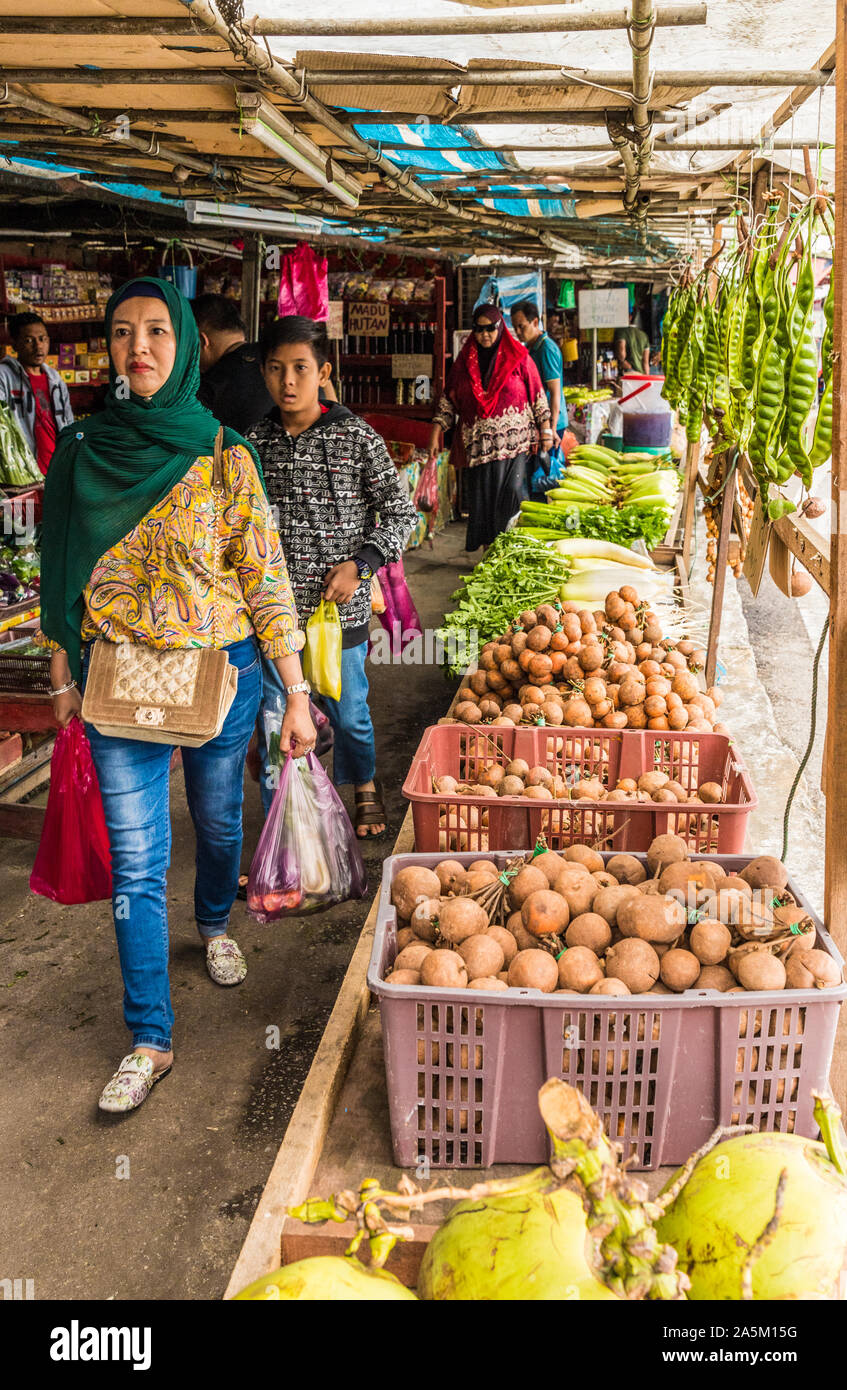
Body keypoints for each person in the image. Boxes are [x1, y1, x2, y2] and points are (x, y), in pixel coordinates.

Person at [40, 277, 315, 1115]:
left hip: (219, 675)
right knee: (137, 858)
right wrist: (61, 674)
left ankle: (217, 924)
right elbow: (60, 569)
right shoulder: (84, 449)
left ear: (185, 345)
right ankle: (149, 1037)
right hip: (118, 680)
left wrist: (295, 692)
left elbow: (265, 580)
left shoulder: (226, 452)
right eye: (122, 333)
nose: (138, 348)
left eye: (157, 331)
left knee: (219, 818)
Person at [247, 316, 416, 839]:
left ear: (322, 372)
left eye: (300, 368)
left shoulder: (355, 436)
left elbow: (401, 514)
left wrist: (361, 563)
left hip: (342, 609)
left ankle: (364, 783)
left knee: (350, 714)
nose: (288, 382)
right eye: (276, 370)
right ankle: (288, 818)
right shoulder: (254, 443)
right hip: (275, 617)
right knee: (276, 719)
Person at [427, 304, 552, 551]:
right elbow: (447, 403)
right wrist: (434, 436)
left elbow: (537, 394)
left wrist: (546, 431)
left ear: (500, 327)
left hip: (515, 447)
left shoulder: (518, 357)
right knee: (483, 504)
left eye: (490, 329)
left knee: (513, 496)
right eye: (479, 329)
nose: (485, 334)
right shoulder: (464, 363)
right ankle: (489, 556)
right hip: (479, 449)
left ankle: (511, 552)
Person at [192, 294, 338, 432]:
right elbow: (334, 412)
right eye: (274, 369)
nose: (287, 381)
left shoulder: (210, 384)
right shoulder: (308, 365)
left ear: (202, 341)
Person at [0, 312, 73, 474]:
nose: (38, 346)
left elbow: (69, 424)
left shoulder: (56, 380)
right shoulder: (4, 376)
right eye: (29, 340)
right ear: (14, 344)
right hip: (23, 474)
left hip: (56, 471)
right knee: (25, 502)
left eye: (42, 339)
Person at [509, 298, 567, 496]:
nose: (518, 332)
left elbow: (554, 393)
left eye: (521, 326)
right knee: (538, 477)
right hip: (540, 423)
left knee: (545, 478)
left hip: (552, 423)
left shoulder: (546, 349)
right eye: (515, 327)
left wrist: (550, 430)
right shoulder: (530, 349)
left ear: (535, 322)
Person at [614, 309, 651, 377]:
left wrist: (622, 361)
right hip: (640, 375)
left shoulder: (621, 331)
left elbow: (621, 353)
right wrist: (646, 377)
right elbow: (645, 362)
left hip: (628, 373)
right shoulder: (643, 335)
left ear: (630, 317)